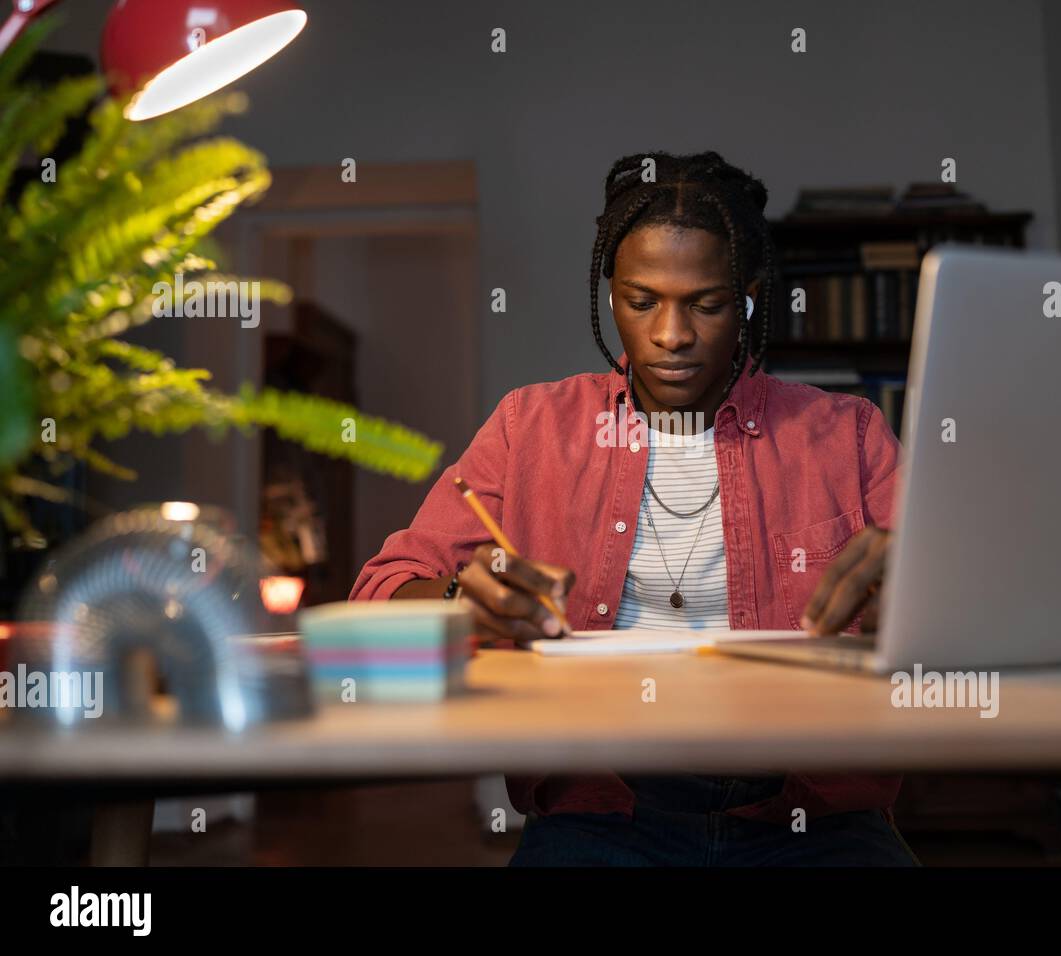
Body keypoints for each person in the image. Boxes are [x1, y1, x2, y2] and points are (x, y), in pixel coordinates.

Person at [351, 150, 918, 866]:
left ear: (747, 298)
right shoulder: (530, 427)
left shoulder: (848, 433)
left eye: (707, 304)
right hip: (601, 815)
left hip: (813, 815)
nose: (672, 336)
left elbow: (968, 611)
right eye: (641, 302)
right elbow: (380, 591)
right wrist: (467, 597)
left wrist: (916, 578)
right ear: (609, 293)